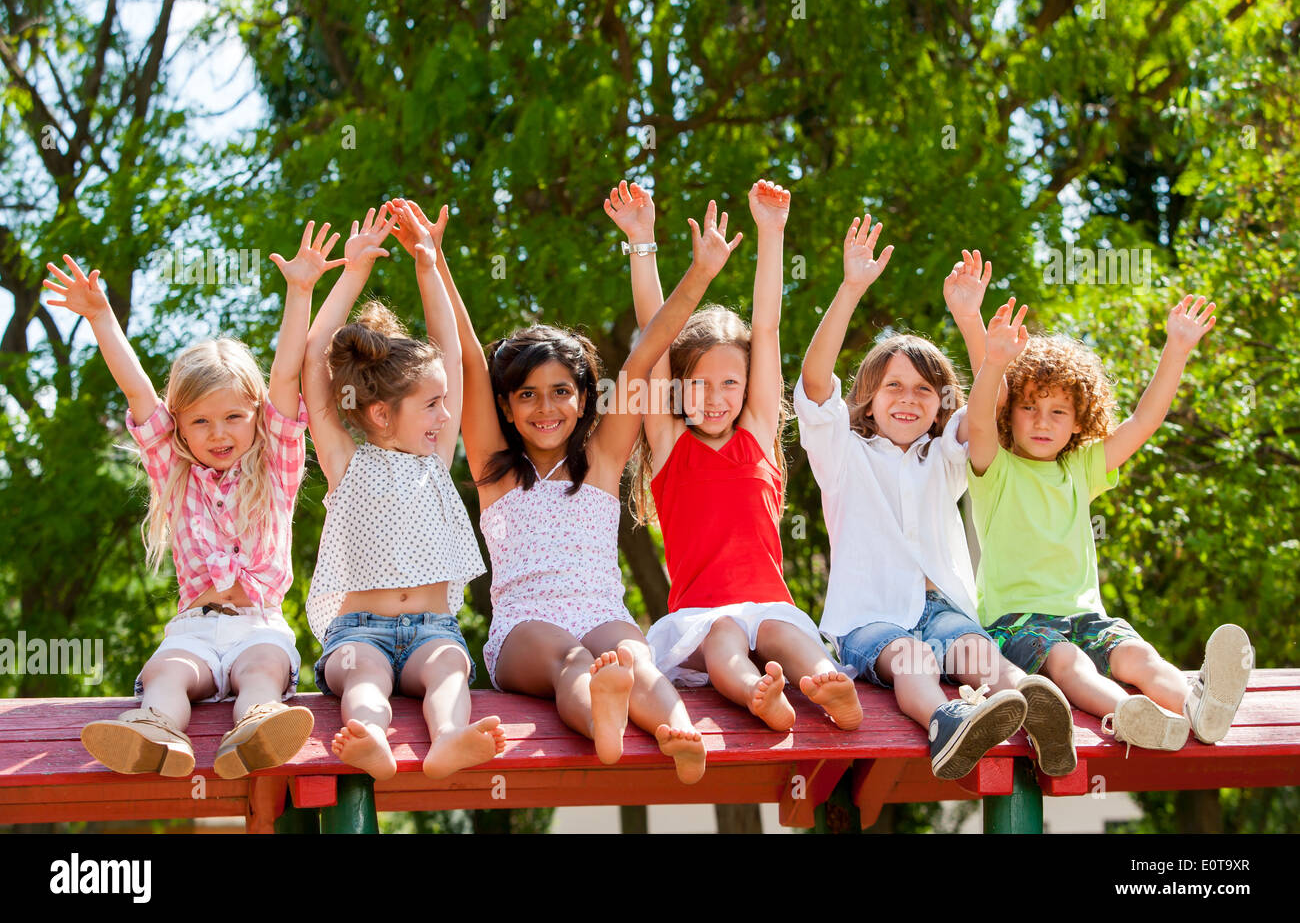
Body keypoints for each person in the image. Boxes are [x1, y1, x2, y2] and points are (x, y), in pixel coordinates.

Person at [401, 194, 713, 783]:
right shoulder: (495, 468)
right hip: (524, 628)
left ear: (585, 399)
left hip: (601, 610)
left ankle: (681, 734)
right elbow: (467, 356)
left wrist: (698, 273)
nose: (546, 408)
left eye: (561, 392)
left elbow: (647, 352)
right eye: (527, 395)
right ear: (506, 407)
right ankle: (602, 717)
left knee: (636, 656)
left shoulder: (600, 461)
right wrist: (433, 261)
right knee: (575, 661)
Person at [53, 224, 331, 777]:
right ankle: (157, 733)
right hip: (194, 629)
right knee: (167, 674)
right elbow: (138, 391)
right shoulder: (175, 474)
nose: (218, 433)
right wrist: (101, 317)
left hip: (259, 625)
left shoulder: (276, 470)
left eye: (232, 416)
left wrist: (300, 292)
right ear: (178, 426)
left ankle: (255, 727)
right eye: (200, 421)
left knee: (263, 670)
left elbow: (284, 373)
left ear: (256, 415)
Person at [795, 231, 1075, 778]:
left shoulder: (942, 458)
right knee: (911, 660)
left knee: (975, 651)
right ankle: (946, 721)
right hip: (869, 617)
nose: (908, 398)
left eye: (924, 390)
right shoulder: (843, 454)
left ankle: (1033, 707)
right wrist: (852, 287)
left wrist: (977, 331)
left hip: (943, 607)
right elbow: (814, 381)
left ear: (940, 404)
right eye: (894, 387)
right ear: (868, 402)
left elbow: (985, 414)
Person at [612, 179, 863, 733]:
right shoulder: (670, 444)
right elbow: (655, 333)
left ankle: (828, 684)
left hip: (770, 606)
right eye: (698, 384)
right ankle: (758, 693)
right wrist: (642, 240)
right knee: (726, 637)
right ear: (677, 388)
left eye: (730, 382)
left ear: (749, 387)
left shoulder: (755, 433)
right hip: (702, 617)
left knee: (784, 635)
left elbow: (767, 327)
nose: (714, 397)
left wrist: (772, 233)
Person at [967, 293, 1251, 752]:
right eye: (1029, 408)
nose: (1043, 422)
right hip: (1017, 623)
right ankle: (1126, 715)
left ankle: (1200, 708)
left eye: (1058, 411)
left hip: (1086, 616)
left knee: (1138, 655)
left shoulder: (1080, 469)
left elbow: (1143, 421)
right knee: (1067, 662)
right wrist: (992, 356)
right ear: (1009, 413)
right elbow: (978, 419)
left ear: (1079, 421)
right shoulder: (994, 469)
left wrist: (1176, 348)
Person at [303, 202, 504, 781]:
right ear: (381, 414)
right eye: (432, 405)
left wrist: (430, 266)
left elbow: (455, 356)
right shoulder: (347, 461)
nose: (446, 415)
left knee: (448, 670)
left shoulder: (435, 462)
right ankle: (370, 740)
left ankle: (448, 740)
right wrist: (353, 272)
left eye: (445, 403)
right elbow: (317, 364)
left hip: (432, 629)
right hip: (357, 630)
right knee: (364, 677)